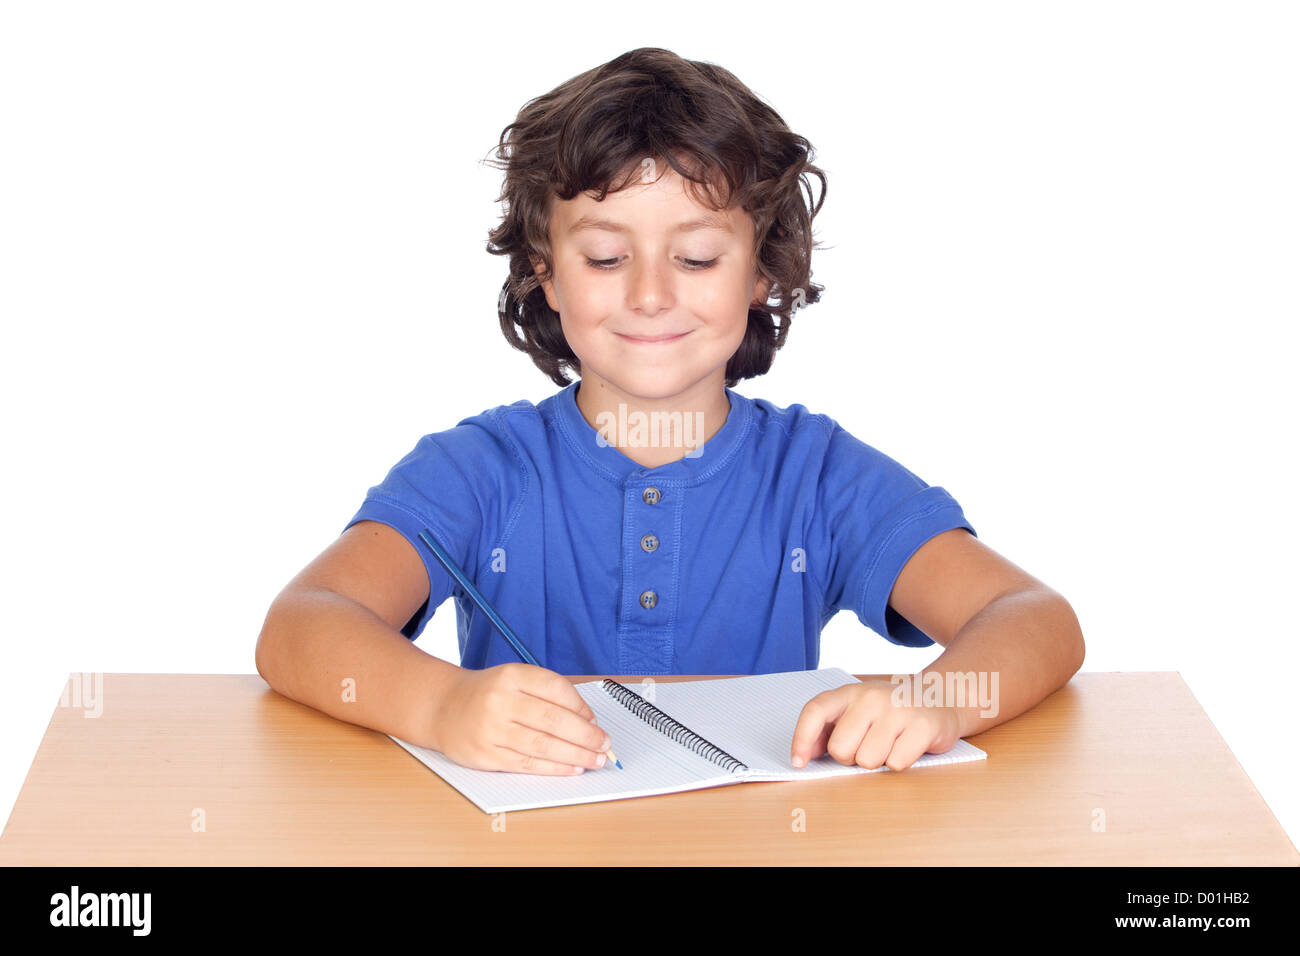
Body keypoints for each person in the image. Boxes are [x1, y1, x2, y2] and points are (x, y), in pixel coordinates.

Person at [256, 47, 1084, 778]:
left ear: (761, 271)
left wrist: (936, 699)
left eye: (694, 256)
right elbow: (300, 626)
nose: (651, 294)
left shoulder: (818, 475)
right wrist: (440, 706)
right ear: (545, 271)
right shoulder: (478, 471)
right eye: (607, 256)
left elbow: (1034, 620)